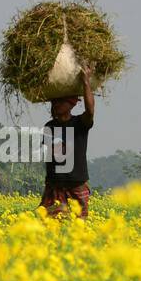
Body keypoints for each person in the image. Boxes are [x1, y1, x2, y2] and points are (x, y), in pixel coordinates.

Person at [39, 62, 95, 218]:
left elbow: (90, 111)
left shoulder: (79, 124)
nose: (56, 105)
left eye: (60, 102)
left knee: (78, 230)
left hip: (76, 187)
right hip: (55, 188)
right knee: (46, 228)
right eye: (54, 102)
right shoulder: (49, 126)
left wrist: (85, 81)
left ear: (70, 104)